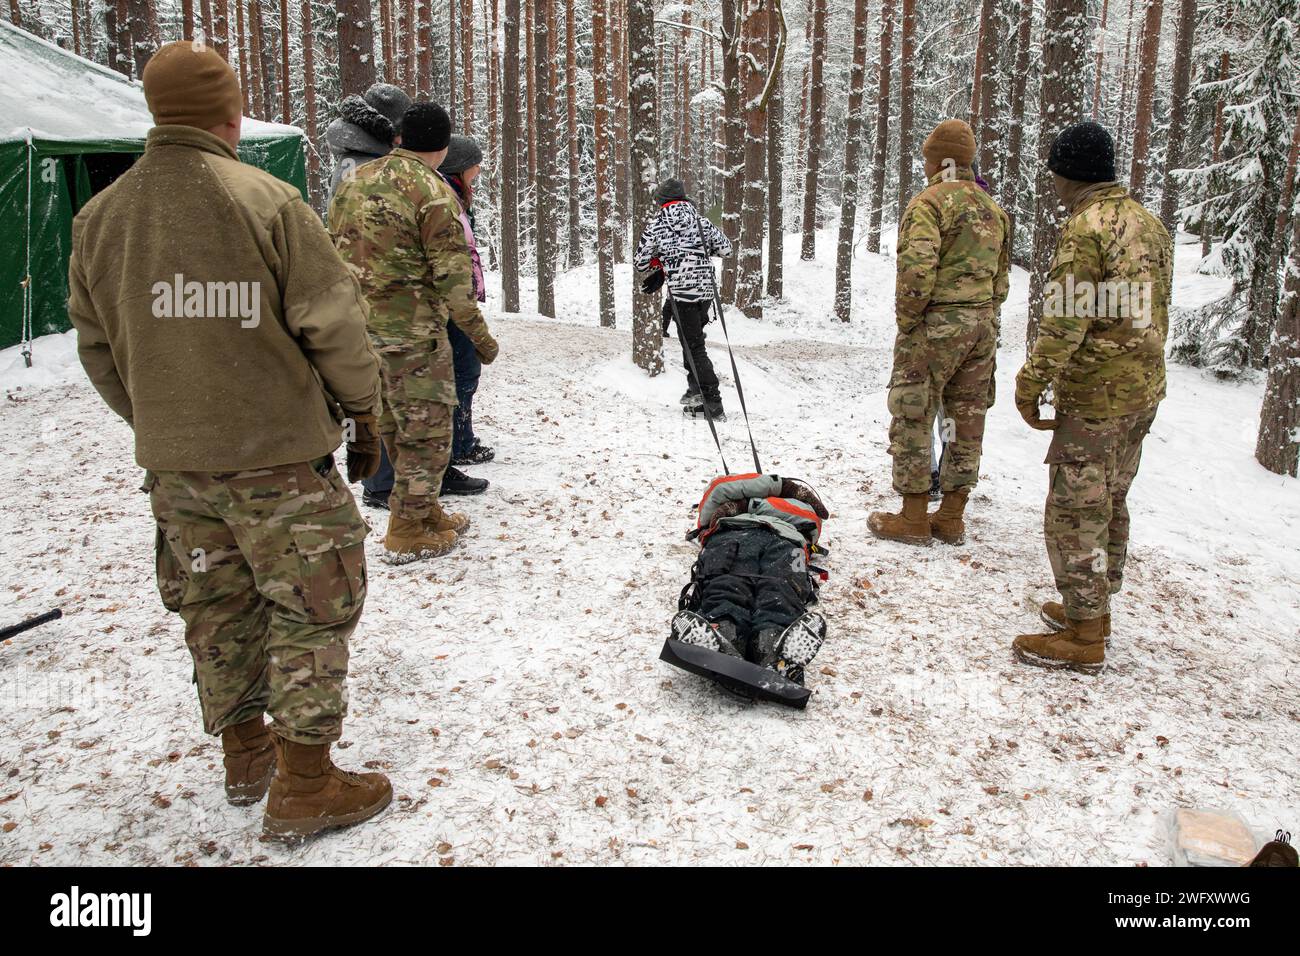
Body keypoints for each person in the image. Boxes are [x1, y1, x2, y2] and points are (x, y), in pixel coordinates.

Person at [67, 41, 392, 841]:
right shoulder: (268, 201)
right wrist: (365, 411)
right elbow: (335, 326)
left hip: (176, 470)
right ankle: (306, 785)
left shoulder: (97, 219)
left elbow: (98, 348)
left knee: (215, 606)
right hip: (279, 459)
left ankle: (246, 756)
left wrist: (160, 420)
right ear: (230, 113)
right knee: (314, 606)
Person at [1012, 121, 1172, 675]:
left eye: (1055, 171)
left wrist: (1030, 384)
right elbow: (1153, 306)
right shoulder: (1148, 223)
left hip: (1097, 399)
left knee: (1075, 509)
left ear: (1068, 172)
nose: (1052, 182)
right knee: (1111, 498)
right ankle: (1095, 611)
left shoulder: (1086, 230)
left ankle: (1083, 636)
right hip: (1141, 393)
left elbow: (1064, 322)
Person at [329, 103, 499, 564]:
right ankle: (406, 530)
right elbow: (454, 282)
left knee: (393, 424)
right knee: (427, 431)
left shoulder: (355, 182)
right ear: (443, 148)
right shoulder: (434, 192)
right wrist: (481, 339)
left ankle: (424, 512)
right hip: (413, 335)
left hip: (360, 330)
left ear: (401, 138)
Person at [868, 119, 1010, 548]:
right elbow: (1001, 283)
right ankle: (951, 517)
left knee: (913, 413)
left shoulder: (929, 203)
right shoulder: (992, 208)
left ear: (936, 160)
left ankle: (912, 518)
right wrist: (981, 318)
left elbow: (916, 273)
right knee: (964, 420)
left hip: (935, 325)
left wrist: (910, 322)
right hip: (980, 327)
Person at [356, 136, 494, 506]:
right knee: (428, 396)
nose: (479, 172)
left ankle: (409, 477)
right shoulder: (435, 196)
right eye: (475, 165)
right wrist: (473, 324)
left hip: (399, 311)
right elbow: (451, 264)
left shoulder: (371, 183)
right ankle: (409, 486)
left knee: (405, 397)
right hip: (419, 314)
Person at [670, 475, 830, 687]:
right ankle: (730, 632)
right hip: (735, 532)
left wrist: (748, 504)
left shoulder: (799, 505)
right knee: (731, 582)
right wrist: (784, 487)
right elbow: (720, 488)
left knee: (782, 587)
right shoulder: (732, 494)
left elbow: (813, 524)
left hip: (785, 540)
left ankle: (769, 642)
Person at [634, 178, 733, 420]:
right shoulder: (702, 222)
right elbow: (726, 249)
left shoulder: (657, 225)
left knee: (694, 347)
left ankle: (712, 401)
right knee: (693, 344)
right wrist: (697, 251)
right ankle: (696, 394)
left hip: (681, 293)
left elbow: (640, 262)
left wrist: (663, 262)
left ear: (662, 202)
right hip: (705, 293)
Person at [440, 135, 497, 473]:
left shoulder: (452, 195)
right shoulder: (447, 199)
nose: (478, 170)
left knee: (462, 369)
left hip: (452, 299)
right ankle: (459, 443)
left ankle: (459, 440)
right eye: (475, 164)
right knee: (465, 369)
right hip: (452, 302)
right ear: (461, 167)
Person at [324, 82, 411, 204]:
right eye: (400, 132)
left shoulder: (359, 153)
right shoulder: (368, 166)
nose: (402, 140)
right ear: (385, 130)